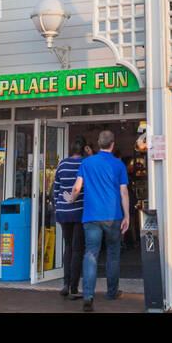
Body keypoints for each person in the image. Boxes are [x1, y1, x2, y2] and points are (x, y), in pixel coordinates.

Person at [64, 129, 130, 311]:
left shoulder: (86, 163)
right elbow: (123, 191)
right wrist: (127, 216)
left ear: (98, 143)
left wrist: (70, 199)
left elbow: (77, 187)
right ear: (113, 144)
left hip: (91, 217)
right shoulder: (119, 165)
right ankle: (112, 291)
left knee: (91, 254)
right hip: (113, 216)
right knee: (113, 254)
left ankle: (88, 295)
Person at [52, 141, 88, 299]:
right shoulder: (85, 163)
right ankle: (74, 288)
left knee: (68, 246)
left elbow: (56, 188)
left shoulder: (62, 164)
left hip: (63, 211)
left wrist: (57, 206)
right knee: (78, 249)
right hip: (79, 211)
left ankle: (65, 284)